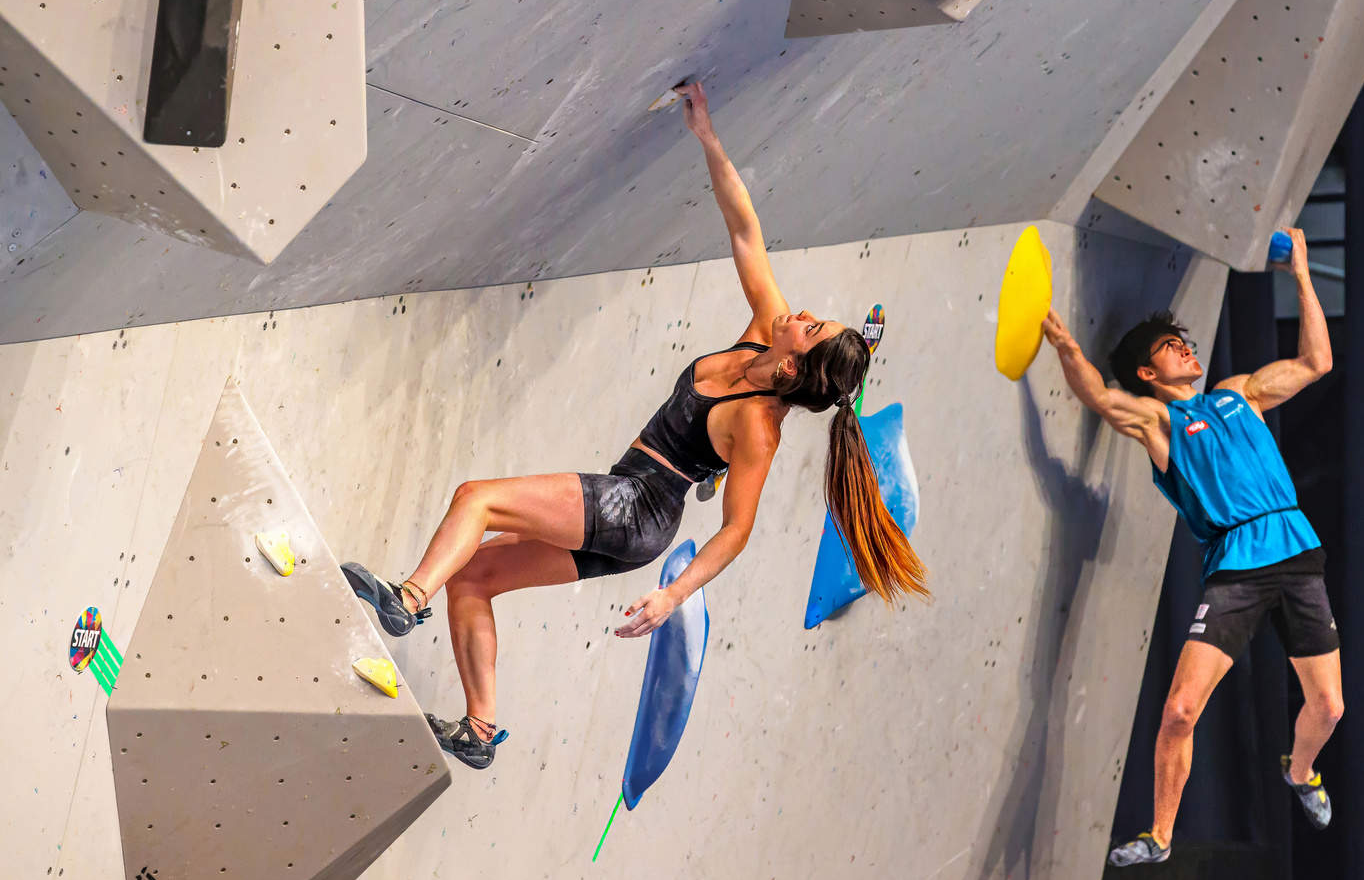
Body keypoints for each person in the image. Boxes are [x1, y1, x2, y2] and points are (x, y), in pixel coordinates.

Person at [342, 82, 927, 769]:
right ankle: (479, 730)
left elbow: (736, 531)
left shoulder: (758, 430)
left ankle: (408, 601)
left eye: (810, 326)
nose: (800, 315)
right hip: (627, 509)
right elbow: (745, 230)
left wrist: (674, 596)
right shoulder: (760, 333)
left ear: (798, 368)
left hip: (637, 512)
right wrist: (706, 136)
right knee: (472, 578)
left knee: (477, 498)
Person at [1040, 229, 1340, 865]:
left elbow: (1317, 363)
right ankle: (1161, 837)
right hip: (1234, 571)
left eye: (1184, 339)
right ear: (1150, 373)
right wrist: (1060, 339)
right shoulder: (1159, 422)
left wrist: (1304, 277)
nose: (1185, 346)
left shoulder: (1237, 394)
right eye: (1169, 346)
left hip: (1295, 551)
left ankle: (1300, 772)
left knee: (1330, 707)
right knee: (1179, 710)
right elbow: (1097, 394)